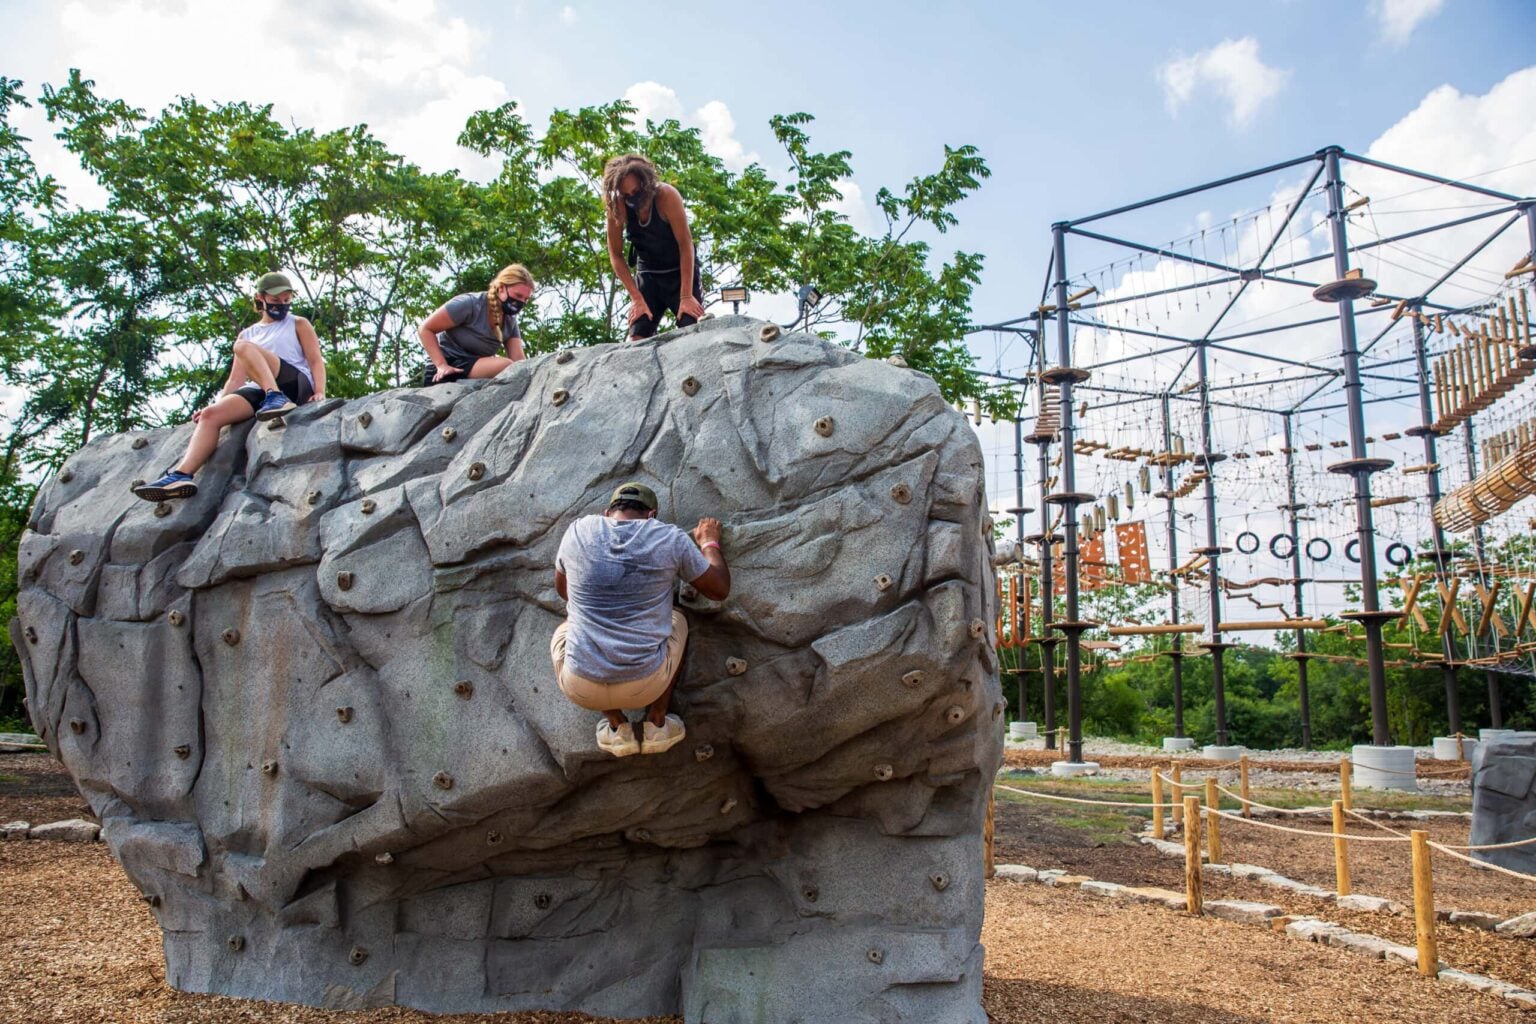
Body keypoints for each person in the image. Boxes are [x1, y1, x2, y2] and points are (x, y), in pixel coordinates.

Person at [552, 483, 731, 757]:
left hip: (581, 687)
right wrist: (709, 542)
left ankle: (615, 725)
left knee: (565, 628)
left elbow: (564, 592)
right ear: (652, 514)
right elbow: (718, 589)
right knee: (678, 619)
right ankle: (657, 721)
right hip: (645, 685)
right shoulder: (668, 537)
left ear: (607, 512)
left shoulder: (577, 530)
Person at [133, 272, 325, 502]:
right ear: (261, 298)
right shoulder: (249, 334)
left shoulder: (297, 324)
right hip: (262, 391)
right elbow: (235, 381)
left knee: (243, 347)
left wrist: (320, 391)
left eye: (286, 300)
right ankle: (180, 475)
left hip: (295, 384)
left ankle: (275, 396)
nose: (282, 305)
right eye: (276, 301)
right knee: (212, 416)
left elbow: (315, 360)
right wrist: (218, 405)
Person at [602, 154, 706, 341]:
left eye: (637, 192)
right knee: (637, 336)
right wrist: (637, 299)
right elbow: (615, 256)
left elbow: (685, 244)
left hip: (679, 273)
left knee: (692, 331)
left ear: (647, 183)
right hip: (648, 274)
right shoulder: (617, 207)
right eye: (627, 195)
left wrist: (686, 297)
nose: (633, 199)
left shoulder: (666, 196)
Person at [417, 264, 534, 384]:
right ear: (501, 288)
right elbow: (425, 329)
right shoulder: (470, 304)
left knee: (518, 369)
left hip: (473, 367)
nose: (520, 302)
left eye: (526, 299)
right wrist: (441, 365)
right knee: (505, 365)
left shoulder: (510, 321)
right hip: (445, 370)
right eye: (518, 295)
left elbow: (519, 361)